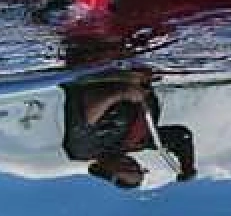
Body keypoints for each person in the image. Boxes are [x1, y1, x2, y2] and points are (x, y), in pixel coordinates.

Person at [60, 69, 198, 189]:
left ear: (108, 172)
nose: (133, 165)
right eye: (138, 169)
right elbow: (181, 137)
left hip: (93, 71)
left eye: (127, 169)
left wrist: (121, 93)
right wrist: (187, 165)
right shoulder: (139, 142)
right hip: (135, 71)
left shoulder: (81, 150)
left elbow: (84, 115)